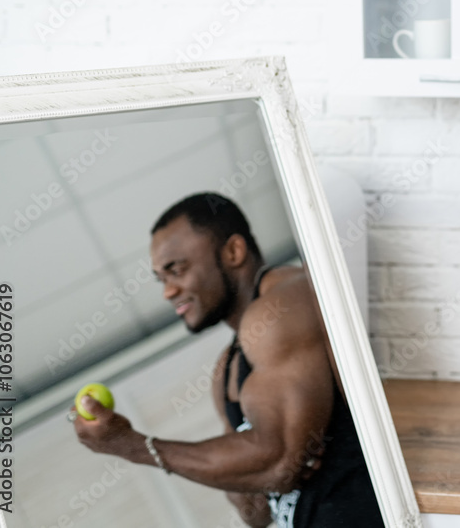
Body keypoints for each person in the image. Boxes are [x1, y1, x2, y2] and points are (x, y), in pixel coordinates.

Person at [74, 192, 384, 528]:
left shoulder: (283, 304)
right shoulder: (227, 368)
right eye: (161, 279)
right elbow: (254, 512)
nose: (167, 291)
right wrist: (260, 463)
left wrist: (133, 446)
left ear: (233, 252)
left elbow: (278, 463)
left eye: (176, 270)